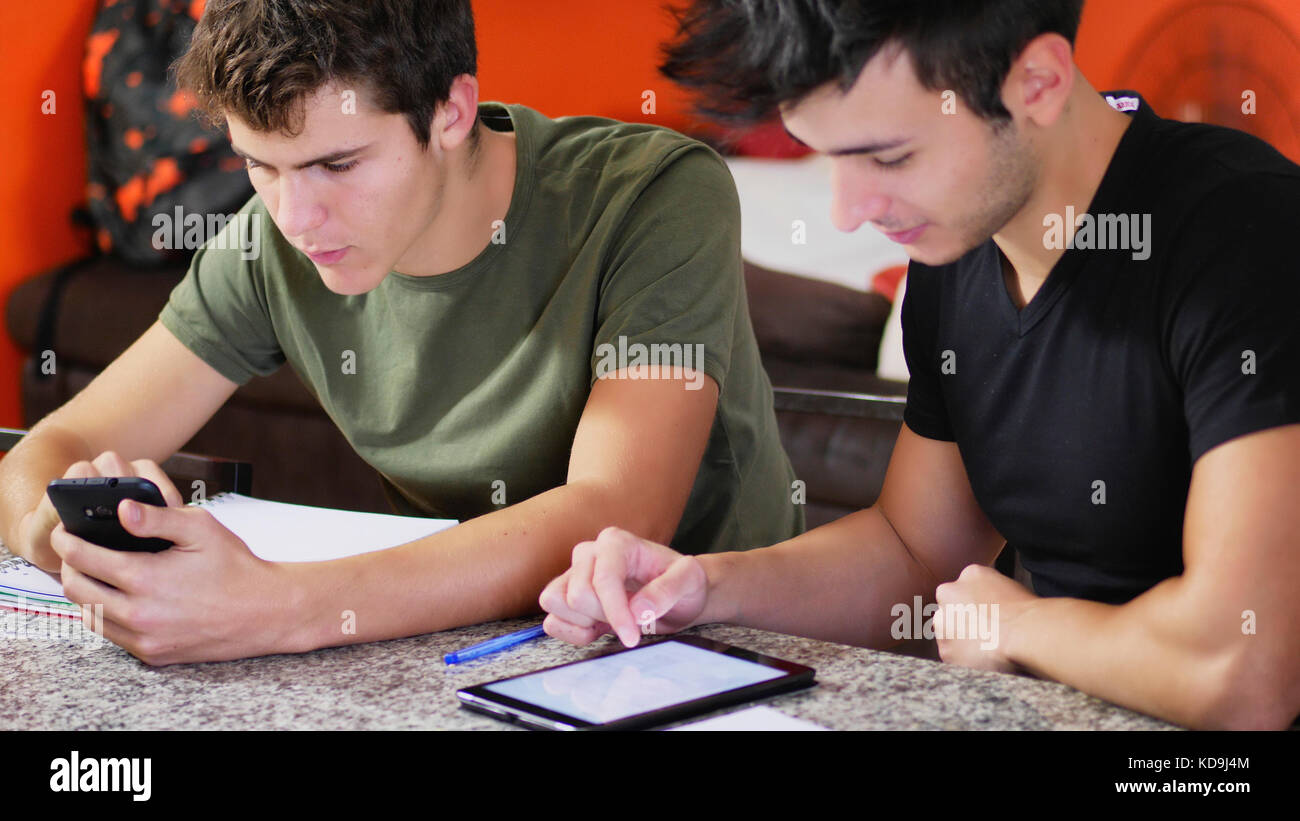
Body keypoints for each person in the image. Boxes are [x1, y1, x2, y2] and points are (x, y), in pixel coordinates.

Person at [540, 0, 1300, 730]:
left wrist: (1021, 626)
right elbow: (913, 552)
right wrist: (702, 587)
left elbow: (1244, 672)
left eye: (889, 156)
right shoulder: (957, 252)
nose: (848, 210)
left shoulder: (1247, 234)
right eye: (828, 157)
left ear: (1037, 81)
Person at [0, 0, 802, 664]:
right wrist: (56, 532)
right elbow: (58, 437)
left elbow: (616, 511)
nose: (295, 218)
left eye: (337, 165)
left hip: (704, 649)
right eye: (261, 165)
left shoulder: (656, 196)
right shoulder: (268, 242)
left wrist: (280, 607)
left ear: (452, 111)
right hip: (450, 650)